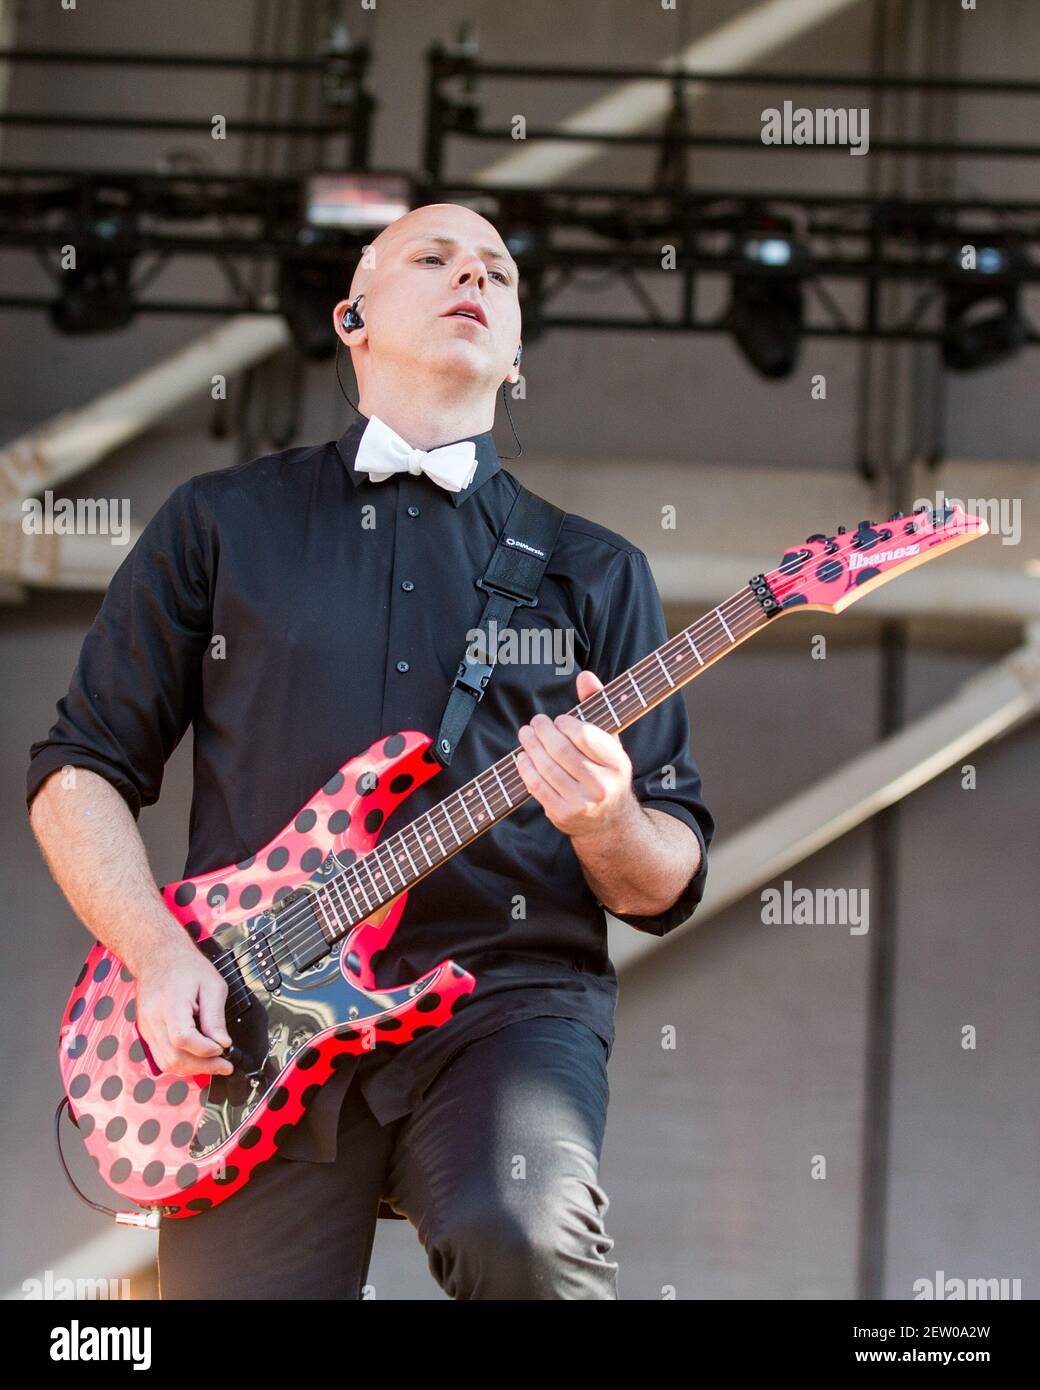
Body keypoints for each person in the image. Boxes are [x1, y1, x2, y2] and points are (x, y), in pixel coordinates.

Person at [27, 201, 715, 1300]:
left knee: (526, 1236)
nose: (472, 277)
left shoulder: (597, 570)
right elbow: (78, 772)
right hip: (249, 1014)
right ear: (351, 314)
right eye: (433, 257)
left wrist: (604, 818)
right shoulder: (220, 522)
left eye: (498, 270)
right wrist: (158, 957)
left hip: (504, 998)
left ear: (516, 347)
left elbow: (662, 875)